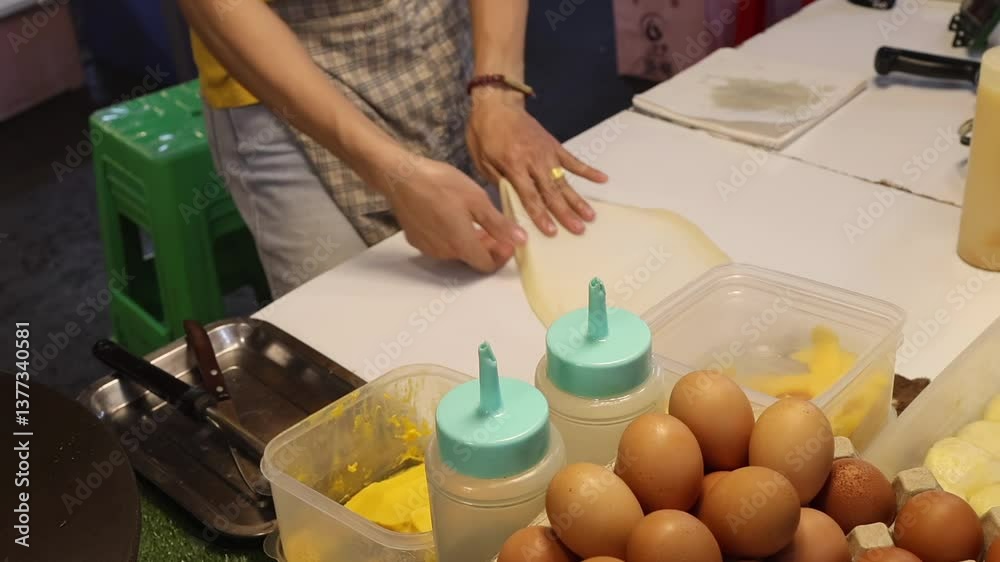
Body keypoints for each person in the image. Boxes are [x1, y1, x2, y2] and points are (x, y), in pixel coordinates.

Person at [179, 0, 608, 298]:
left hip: (439, 42)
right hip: (283, 82)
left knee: (487, 293)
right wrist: (392, 173)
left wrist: (497, 90)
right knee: (355, 349)